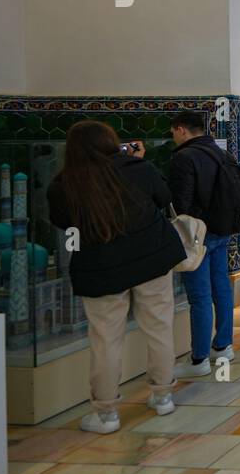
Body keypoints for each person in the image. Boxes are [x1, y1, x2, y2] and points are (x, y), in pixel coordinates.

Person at [47, 120, 185, 434]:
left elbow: (63, 222)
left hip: (102, 268)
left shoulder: (64, 184)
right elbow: (163, 198)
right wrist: (137, 162)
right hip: (151, 260)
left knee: (106, 340)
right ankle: (163, 396)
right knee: (159, 327)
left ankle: (106, 413)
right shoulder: (138, 169)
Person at [167, 111, 236, 379]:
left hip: (198, 234)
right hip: (222, 229)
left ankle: (199, 359)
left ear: (182, 129)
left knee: (200, 297)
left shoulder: (183, 158)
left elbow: (179, 203)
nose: (173, 137)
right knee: (221, 288)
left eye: (173, 132)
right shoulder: (219, 152)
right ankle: (223, 345)